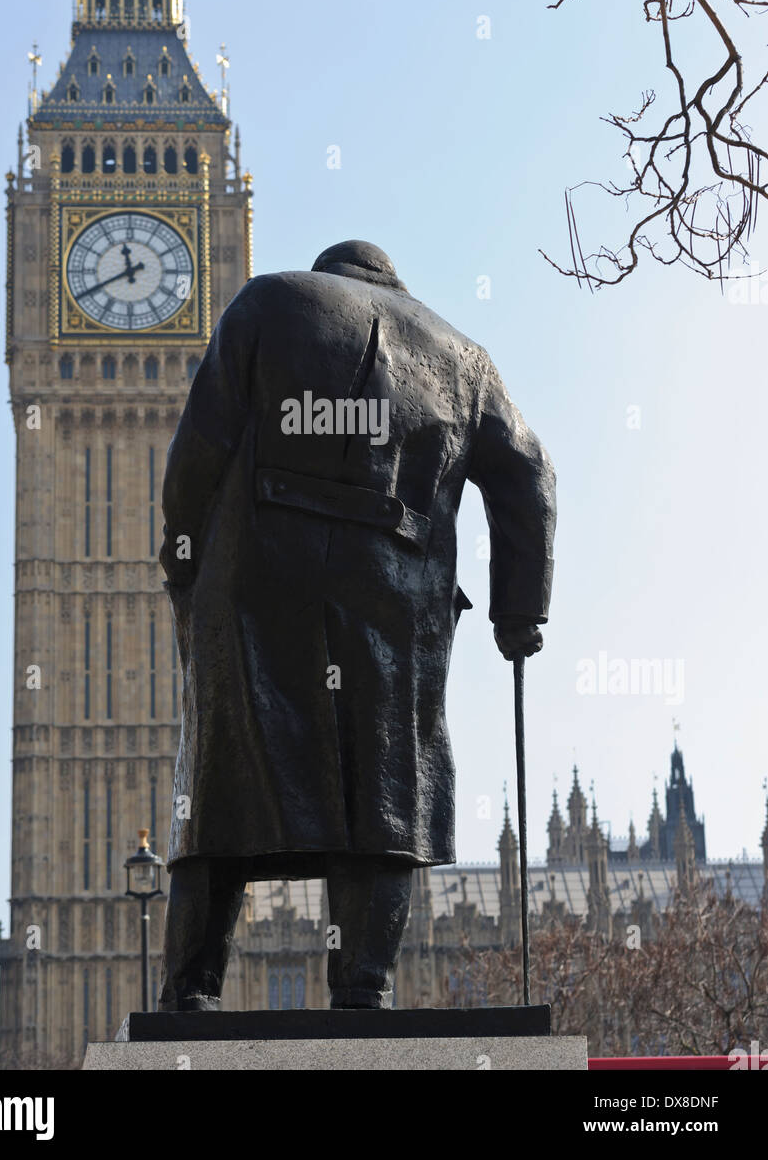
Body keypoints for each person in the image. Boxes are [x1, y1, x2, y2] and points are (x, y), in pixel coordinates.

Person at [158, 240, 556, 1010]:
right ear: (393, 281)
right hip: (394, 594)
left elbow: (197, 448)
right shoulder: (460, 354)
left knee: (225, 781)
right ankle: (362, 987)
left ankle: (192, 988)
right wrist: (518, 612)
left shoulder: (268, 302)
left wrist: (182, 556)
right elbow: (529, 475)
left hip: (254, 581)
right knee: (386, 786)